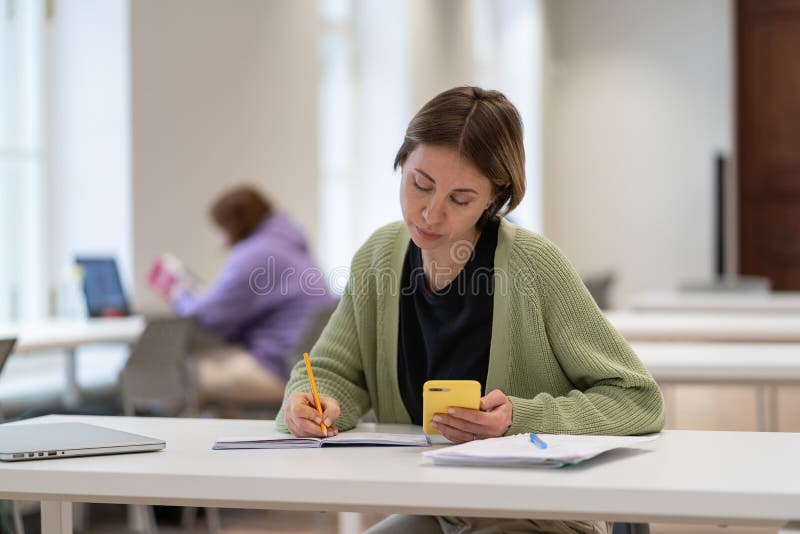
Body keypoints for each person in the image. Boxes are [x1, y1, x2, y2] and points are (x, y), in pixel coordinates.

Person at [276, 87, 664, 533]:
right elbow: (332, 372)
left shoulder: (534, 265)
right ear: (402, 161)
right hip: (434, 505)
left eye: (460, 199)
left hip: (540, 511)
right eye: (419, 184)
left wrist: (520, 419)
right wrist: (310, 404)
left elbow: (637, 399)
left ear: (494, 197)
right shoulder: (379, 257)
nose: (430, 213)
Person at [154, 185, 336, 407]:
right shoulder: (290, 244)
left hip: (280, 369)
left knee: (181, 374)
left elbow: (207, 315)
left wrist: (179, 295)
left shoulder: (256, 253)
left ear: (232, 224)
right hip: (305, 364)